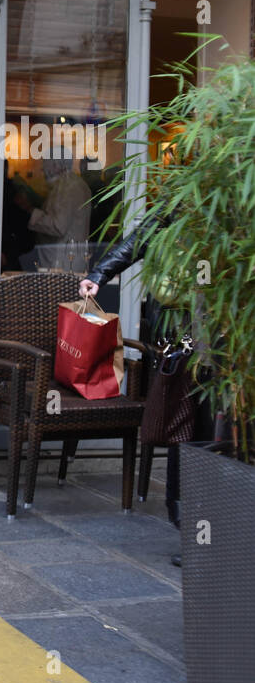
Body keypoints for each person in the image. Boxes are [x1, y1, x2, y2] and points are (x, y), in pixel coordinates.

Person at [81, 208, 214, 568]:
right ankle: (192, 528)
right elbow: (137, 241)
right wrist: (100, 273)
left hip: (225, 338)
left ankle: (210, 530)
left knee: (209, 429)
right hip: (191, 336)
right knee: (185, 424)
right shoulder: (184, 203)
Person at [14, 153, 91, 246]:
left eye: (45, 164)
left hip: (63, 257)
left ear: (56, 165)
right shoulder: (68, 185)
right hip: (64, 254)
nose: (42, 169)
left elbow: (57, 227)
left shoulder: (68, 188)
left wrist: (30, 210)